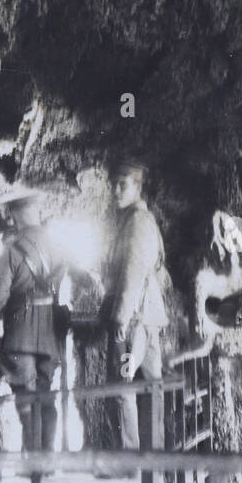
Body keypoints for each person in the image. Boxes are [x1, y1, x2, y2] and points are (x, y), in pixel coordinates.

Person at [0, 189, 66, 453]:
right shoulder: (57, 246)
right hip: (50, 331)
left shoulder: (11, 251)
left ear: (14, 215)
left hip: (20, 332)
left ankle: (33, 465)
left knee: (26, 398)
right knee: (46, 395)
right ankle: (47, 459)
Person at [101, 158, 167, 454]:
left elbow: (133, 271)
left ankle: (130, 460)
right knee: (152, 386)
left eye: (122, 185)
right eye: (114, 185)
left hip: (132, 319)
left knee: (122, 388)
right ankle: (155, 459)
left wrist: (120, 317)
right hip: (148, 316)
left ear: (138, 187)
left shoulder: (137, 222)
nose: (116, 190)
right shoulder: (142, 220)